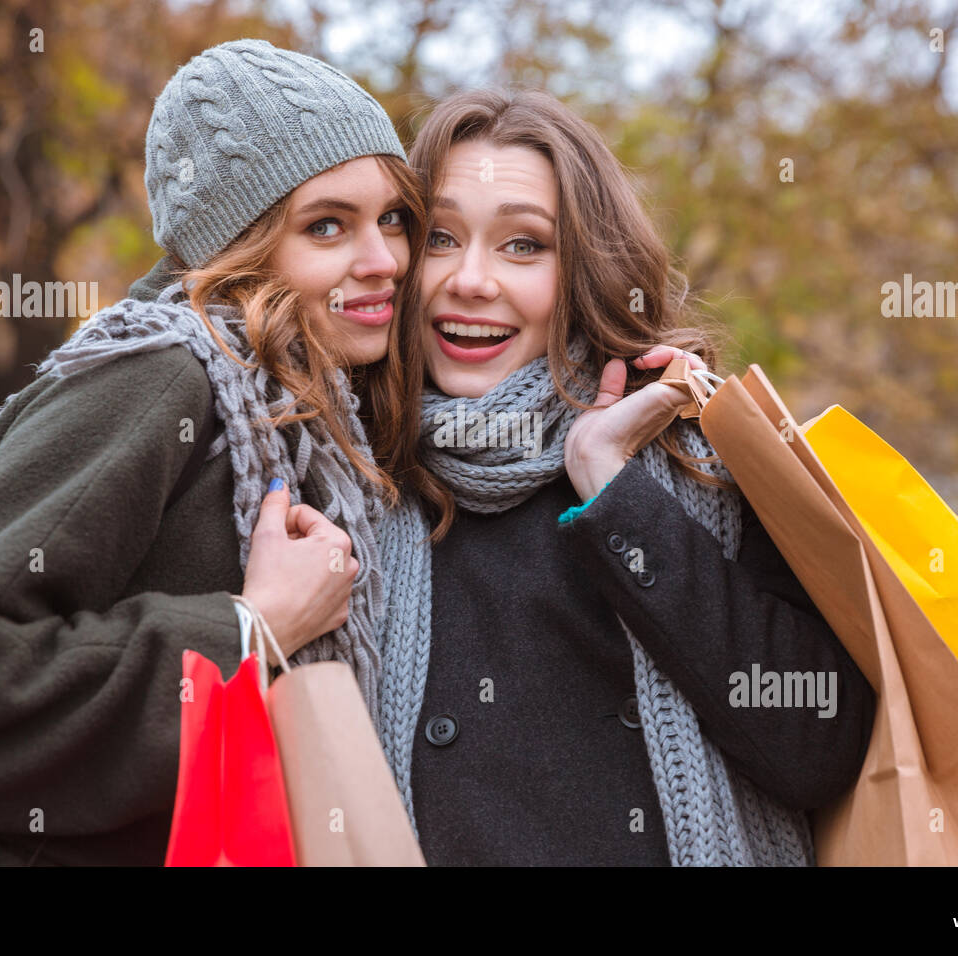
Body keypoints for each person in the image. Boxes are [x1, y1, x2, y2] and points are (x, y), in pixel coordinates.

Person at [0, 39, 423, 865]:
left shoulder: (300, 405)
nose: (384, 260)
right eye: (327, 225)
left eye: (392, 218)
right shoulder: (161, 374)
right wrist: (248, 631)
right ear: (238, 246)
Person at [373, 89, 877, 866]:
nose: (470, 280)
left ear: (584, 268)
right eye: (440, 237)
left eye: (523, 245)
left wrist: (611, 482)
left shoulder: (705, 462)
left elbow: (816, 747)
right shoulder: (346, 473)